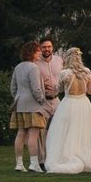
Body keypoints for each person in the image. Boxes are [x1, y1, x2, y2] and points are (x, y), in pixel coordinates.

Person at [44, 48, 91, 175]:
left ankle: (68, 156)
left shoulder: (65, 73)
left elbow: (58, 90)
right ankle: (84, 157)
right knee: (84, 132)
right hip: (83, 104)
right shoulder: (87, 72)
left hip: (69, 103)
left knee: (66, 131)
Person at [9, 41, 48, 173]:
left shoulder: (18, 67)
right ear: (31, 53)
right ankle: (34, 163)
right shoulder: (33, 68)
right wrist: (43, 102)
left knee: (20, 133)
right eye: (37, 51)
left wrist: (18, 97)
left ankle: (19, 164)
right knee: (33, 135)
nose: (40, 53)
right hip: (33, 105)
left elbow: (13, 88)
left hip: (20, 104)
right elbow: (36, 89)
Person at [35, 36, 62, 166]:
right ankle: (41, 161)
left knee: (59, 129)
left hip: (57, 101)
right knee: (41, 132)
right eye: (44, 47)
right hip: (42, 102)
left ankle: (57, 157)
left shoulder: (59, 60)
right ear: (40, 48)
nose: (47, 49)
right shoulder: (35, 63)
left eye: (49, 47)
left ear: (53, 48)